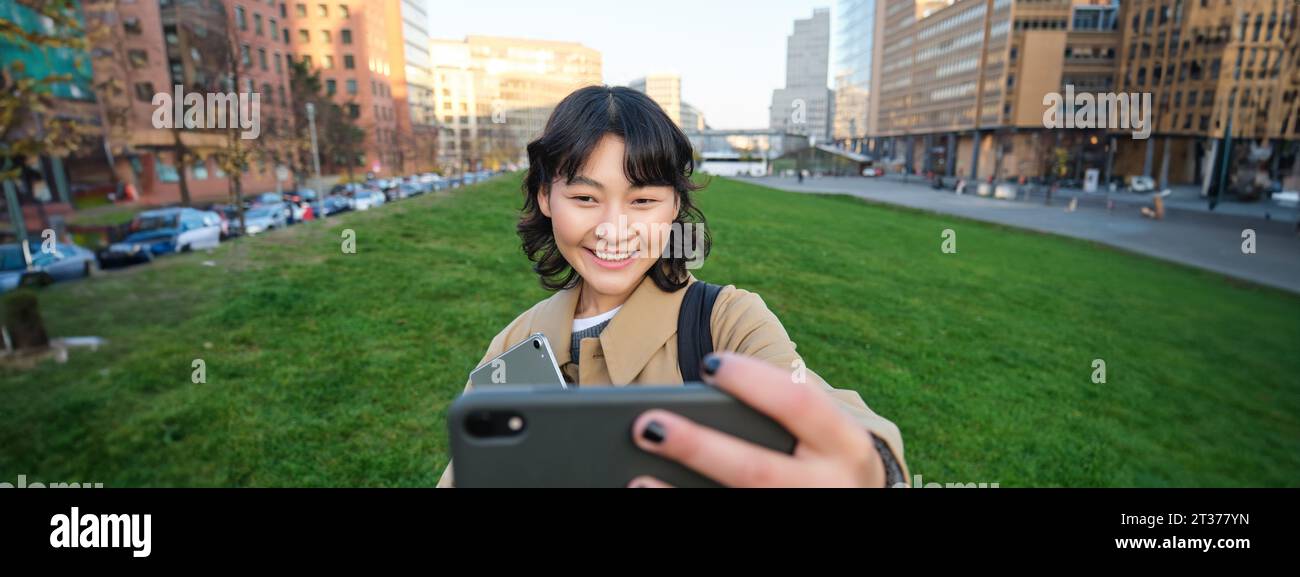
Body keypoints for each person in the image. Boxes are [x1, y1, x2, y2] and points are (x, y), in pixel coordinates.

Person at [436, 86, 907, 488]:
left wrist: (866, 467)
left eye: (643, 200)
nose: (614, 229)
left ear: (674, 206)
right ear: (544, 197)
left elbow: (828, 412)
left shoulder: (727, 321)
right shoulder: (515, 341)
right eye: (584, 198)